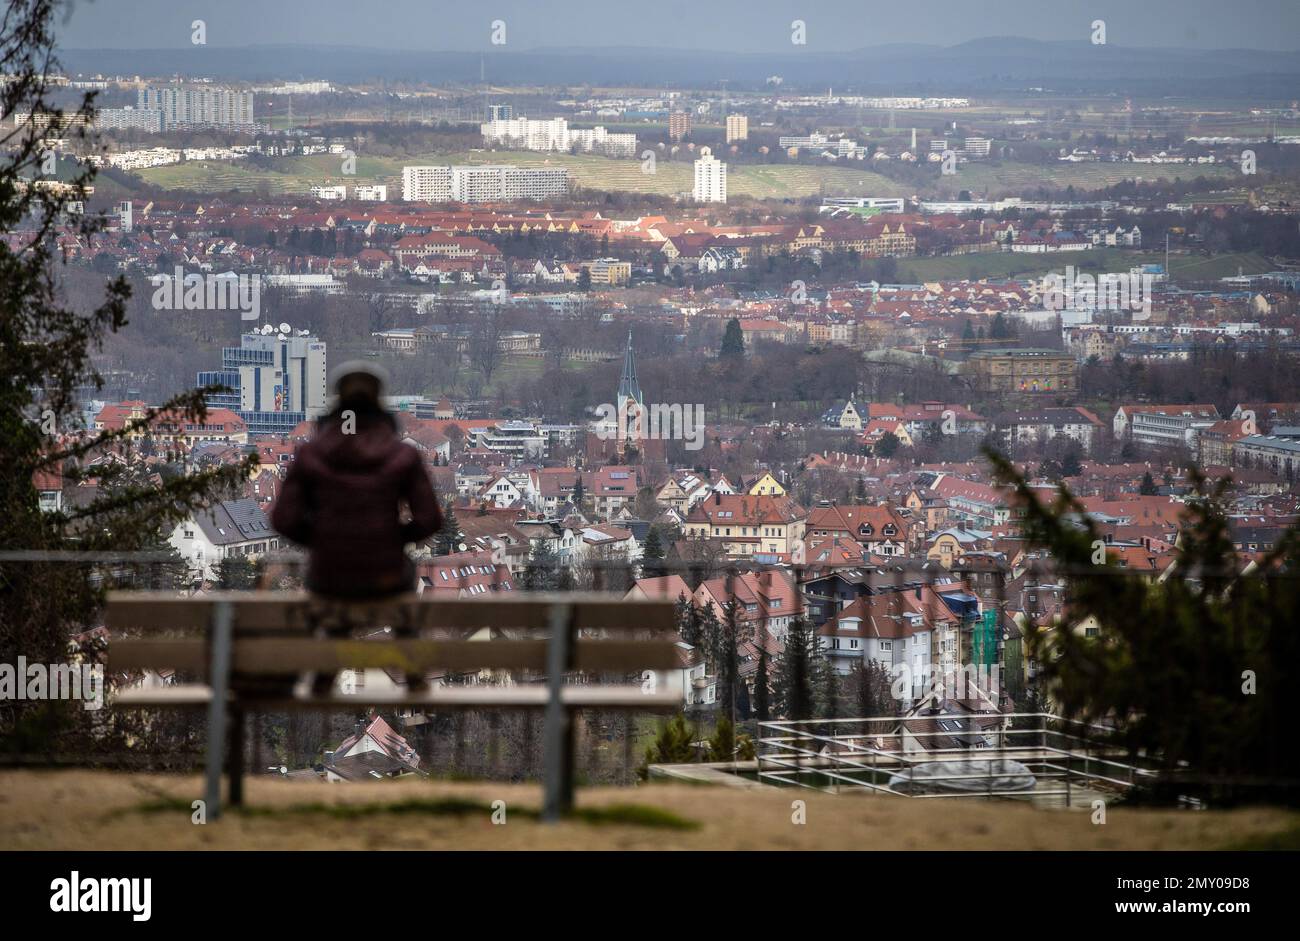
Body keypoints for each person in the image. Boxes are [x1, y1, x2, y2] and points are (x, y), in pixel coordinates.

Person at [271, 361, 444, 692]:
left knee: (337, 590)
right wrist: (395, 539)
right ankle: (414, 674)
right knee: (402, 586)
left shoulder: (310, 455)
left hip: (328, 573)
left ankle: (325, 674)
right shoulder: (402, 456)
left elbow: (283, 519)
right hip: (387, 573)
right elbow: (429, 520)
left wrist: (321, 540)